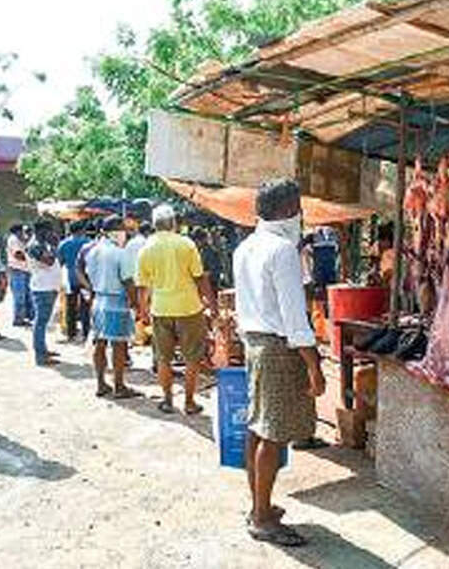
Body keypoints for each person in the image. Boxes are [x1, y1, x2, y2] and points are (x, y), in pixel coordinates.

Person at [233, 179, 326, 546]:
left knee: (258, 427)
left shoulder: (246, 247)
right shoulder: (283, 249)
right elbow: (293, 316)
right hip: (277, 347)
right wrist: (313, 365)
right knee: (272, 433)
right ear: (289, 210)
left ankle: (260, 505)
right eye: (299, 207)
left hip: (255, 344)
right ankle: (261, 518)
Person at [136, 205, 217, 415]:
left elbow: (142, 286)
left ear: (154, 224)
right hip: (189, 308)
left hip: (160, 309)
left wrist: (143, 311)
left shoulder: (146, 248)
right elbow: (200, 278)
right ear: (174, 223)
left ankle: (167, 400)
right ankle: (189, 402)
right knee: (192, 358)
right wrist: (213, 304)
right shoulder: (186, 244)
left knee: (163, 358)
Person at [81, 215, 141, 399]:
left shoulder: (93, 251)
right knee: (119, 345)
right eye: (123, 229)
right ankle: (119, 385)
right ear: (115, 231)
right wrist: (135, 302)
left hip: (99, 300)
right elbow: (128, 280)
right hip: (117, 302)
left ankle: (100, 383)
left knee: (99, 343)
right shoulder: (119, 253)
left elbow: (86, 274)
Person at [27, 220, 62, 366]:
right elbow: (49, 261)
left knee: (43, 322)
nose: (51, 233)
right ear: (41, 231)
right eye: (49, 231)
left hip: (48, 286)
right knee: (40, 322)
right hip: (42, 288)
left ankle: (43, 350)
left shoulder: (41, 244)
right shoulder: (34, 246)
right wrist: (54, 246)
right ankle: (40, 355)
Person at [57, 220, 91, 341]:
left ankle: (71, 333)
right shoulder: (88, 243)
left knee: (70, 306)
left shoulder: (63, 244)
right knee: (85, 307)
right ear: (81, 230)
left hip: (69, 278)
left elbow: (60, 262)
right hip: (84, 278)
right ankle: (86, 333)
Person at [6, 224, 33, 327]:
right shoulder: (13, 240)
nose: (23, 233)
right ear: (17, 231)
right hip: (17, 270)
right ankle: (18, 319)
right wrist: (31, 257)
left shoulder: (20, 240)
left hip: (25, 270)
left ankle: (24, 317)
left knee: (27, 295)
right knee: (19, 296)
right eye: (22, 231)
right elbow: (18, 255)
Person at [190, 227, 223, 294]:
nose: (196, 243)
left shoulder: (210, 252)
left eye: (197, 240)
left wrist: (204, 275)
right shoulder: (199, 251)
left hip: (211, 286)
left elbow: (215, 271)